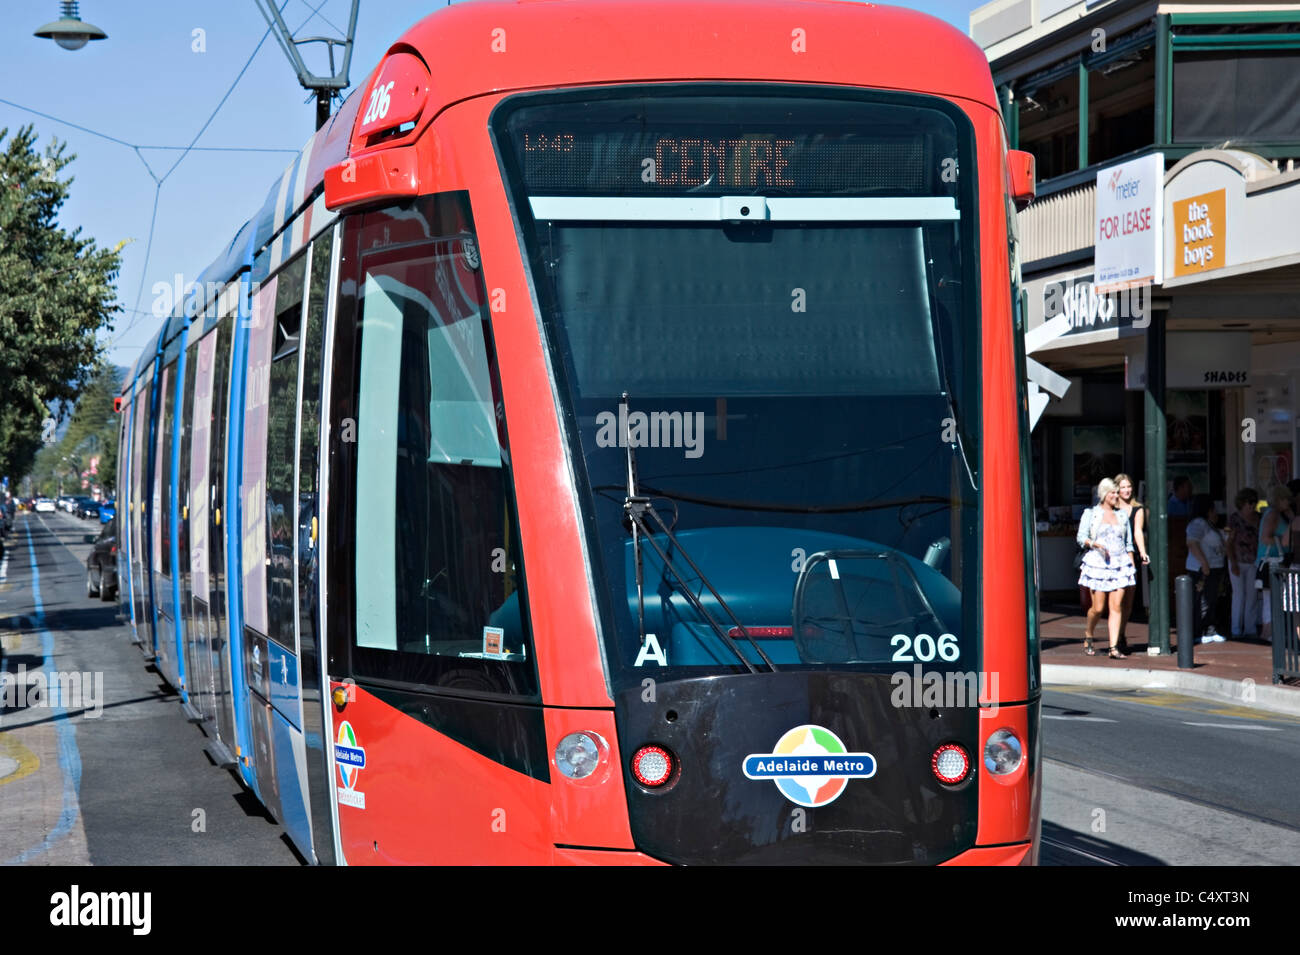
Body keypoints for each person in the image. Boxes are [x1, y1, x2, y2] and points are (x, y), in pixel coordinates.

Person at [1076, 478, 1136, 659]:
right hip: (1098, 563)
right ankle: (1088, 635)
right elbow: (1081, 537)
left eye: (1117, 492)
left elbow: (1128, 543)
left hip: (1119, 563)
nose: (1116, 495)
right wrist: (1095, 544)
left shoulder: (1122, 515)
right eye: (1113, 492)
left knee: (1116, 606)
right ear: (1104, 494)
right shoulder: (1091, 513)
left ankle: (1113, 647)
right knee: (1098, 607)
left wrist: (1131, 564)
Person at [1113, 473, 1148, 653]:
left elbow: (1138, 532)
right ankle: (1115, 635)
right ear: (1117, 488)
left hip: (1129, 556)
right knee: (1115, 600)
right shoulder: (1111, 507)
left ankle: (1120, 632)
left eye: (1128, 487)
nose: (1126, 490)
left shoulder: (1137, 508)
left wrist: (1142, 552)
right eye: (1123, 487)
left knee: (1128, 600)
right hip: (1112, 556)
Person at [1186, 494, 1226, 642]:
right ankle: (1198, 631)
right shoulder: (1198, 523)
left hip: (1214, 566)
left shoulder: (1208, 523)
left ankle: (1209, 629)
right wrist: (1204, 563)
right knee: (1201, 600)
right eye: (1212, 508)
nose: (1215, 511)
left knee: (1211, 599)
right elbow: (1192, 543)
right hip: (1202, 568)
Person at [1257, 484, 1294, 644]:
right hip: (1272, 561)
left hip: (1275, 561)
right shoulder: (1272, 514)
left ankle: (1269, 633)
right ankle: (1268, 633)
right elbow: (1265, 538)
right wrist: (1284, 542)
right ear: (1280, 499)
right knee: (1271, 600)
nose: (1289, 502)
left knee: (1271, 599)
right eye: (1286, 499)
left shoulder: (1275, 514)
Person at [1226, 488, 1260, 640]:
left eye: (1254, 502)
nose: (1252, 506)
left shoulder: (1259, 518)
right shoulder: (1234, 519)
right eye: (1249, 502)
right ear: (1242, 503)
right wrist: (1233, 563)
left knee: (1252, 596)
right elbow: (1229, 542)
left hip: (1254, 562)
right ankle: (1236, 629)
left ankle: (1250, 628)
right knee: (1239, 596)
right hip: (1237, 561)